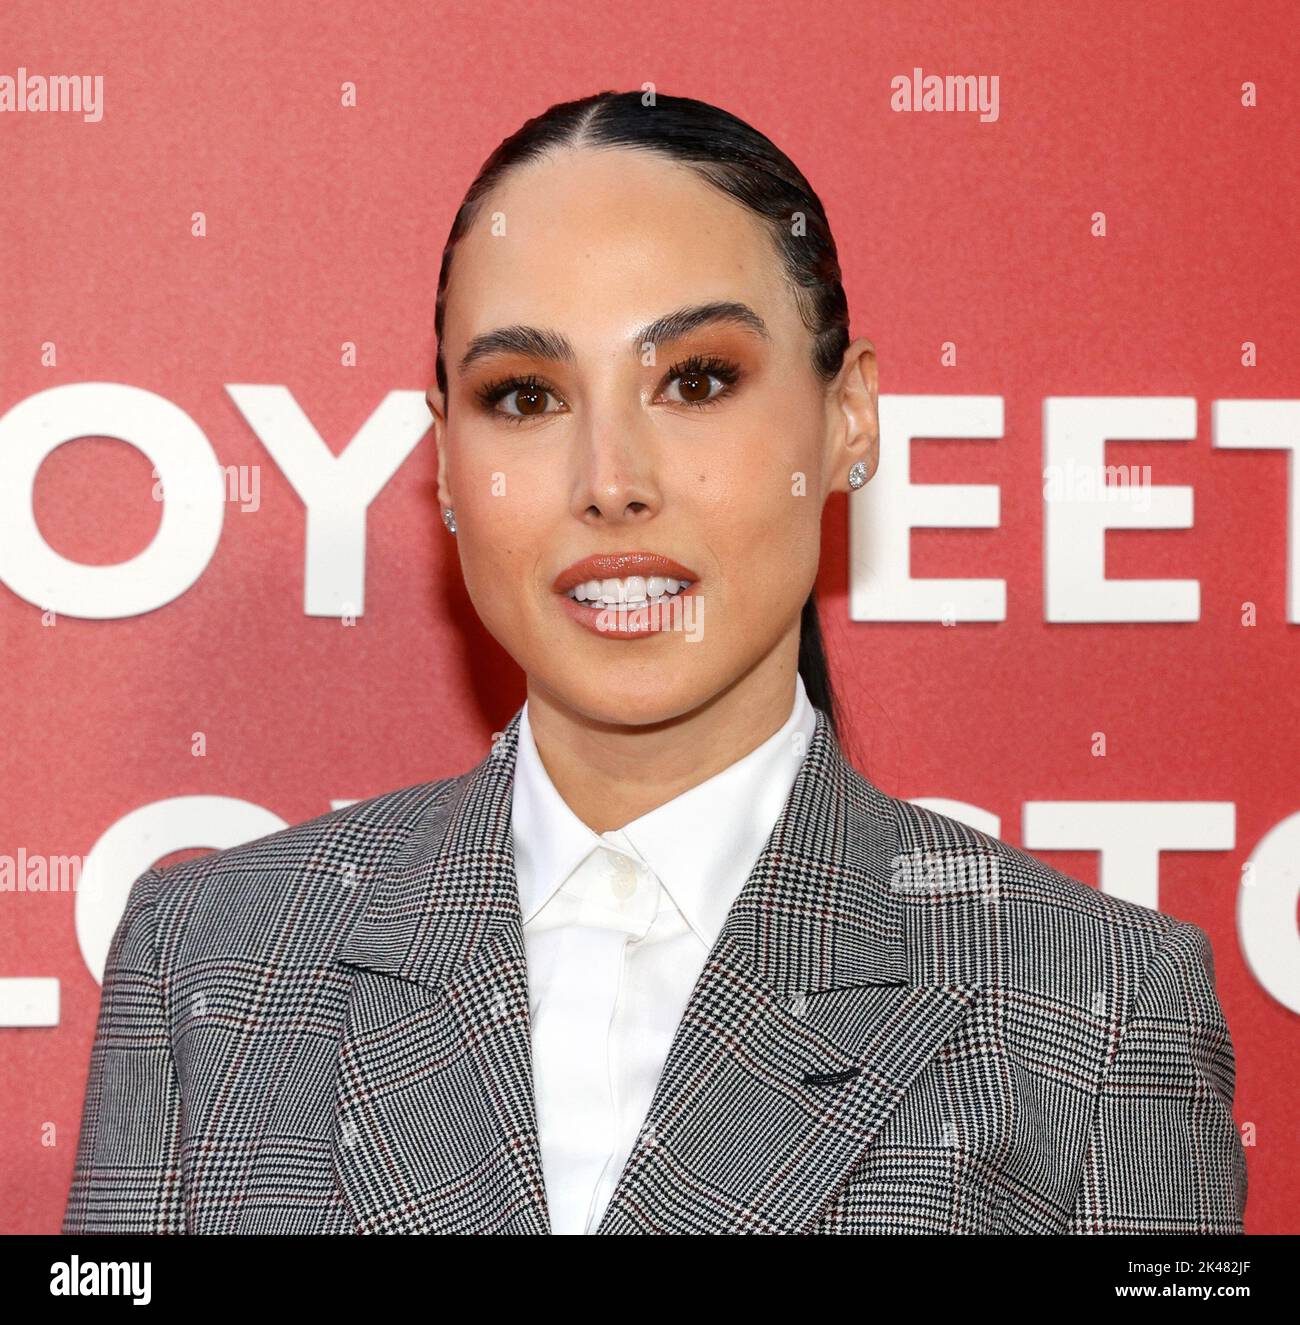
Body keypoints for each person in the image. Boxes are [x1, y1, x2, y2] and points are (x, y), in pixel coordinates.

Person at [63, 89, 1247, 1235]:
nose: (609, 477)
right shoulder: (209, 958)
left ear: (849, 418)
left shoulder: (1094, 1010)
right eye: (523, 395)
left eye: (695, 380)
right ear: (443, 459)